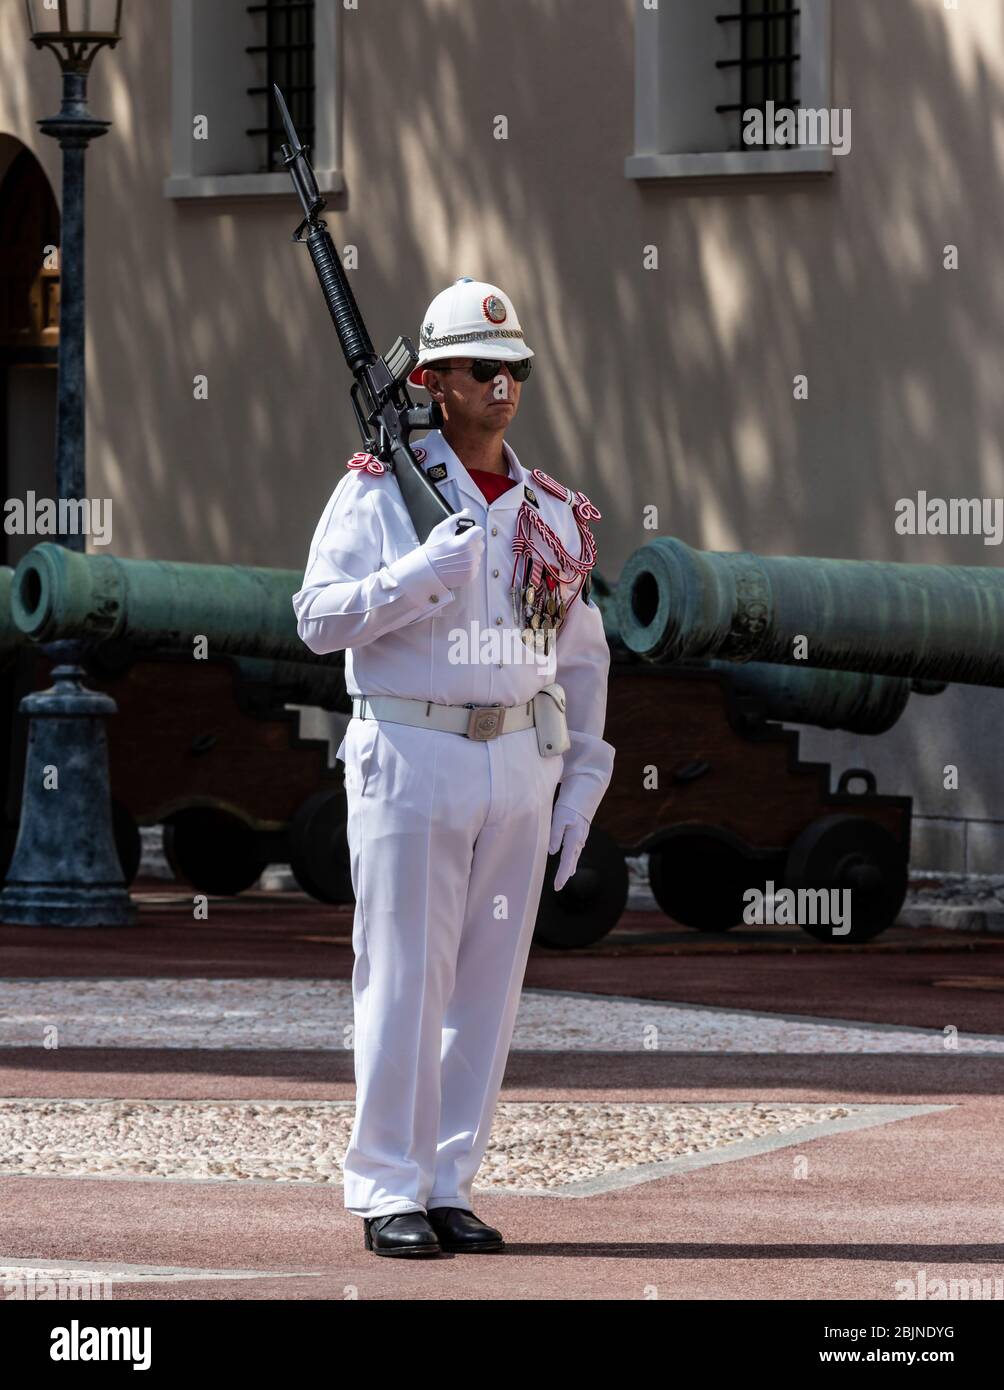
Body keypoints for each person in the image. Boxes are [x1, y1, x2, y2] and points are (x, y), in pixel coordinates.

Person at [291, 277, 614, 1258]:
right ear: (432, 379)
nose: (503, 384)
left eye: (515, 367)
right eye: (484, 368)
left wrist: (583, 779)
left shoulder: (546, 510)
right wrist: (416, 576)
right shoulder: (376, 490)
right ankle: (387, 1184)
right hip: (410, 748)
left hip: (514, 757)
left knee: (487, 989)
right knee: (401, 980)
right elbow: (316, 617)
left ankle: (445, 1181)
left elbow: (578, 654)